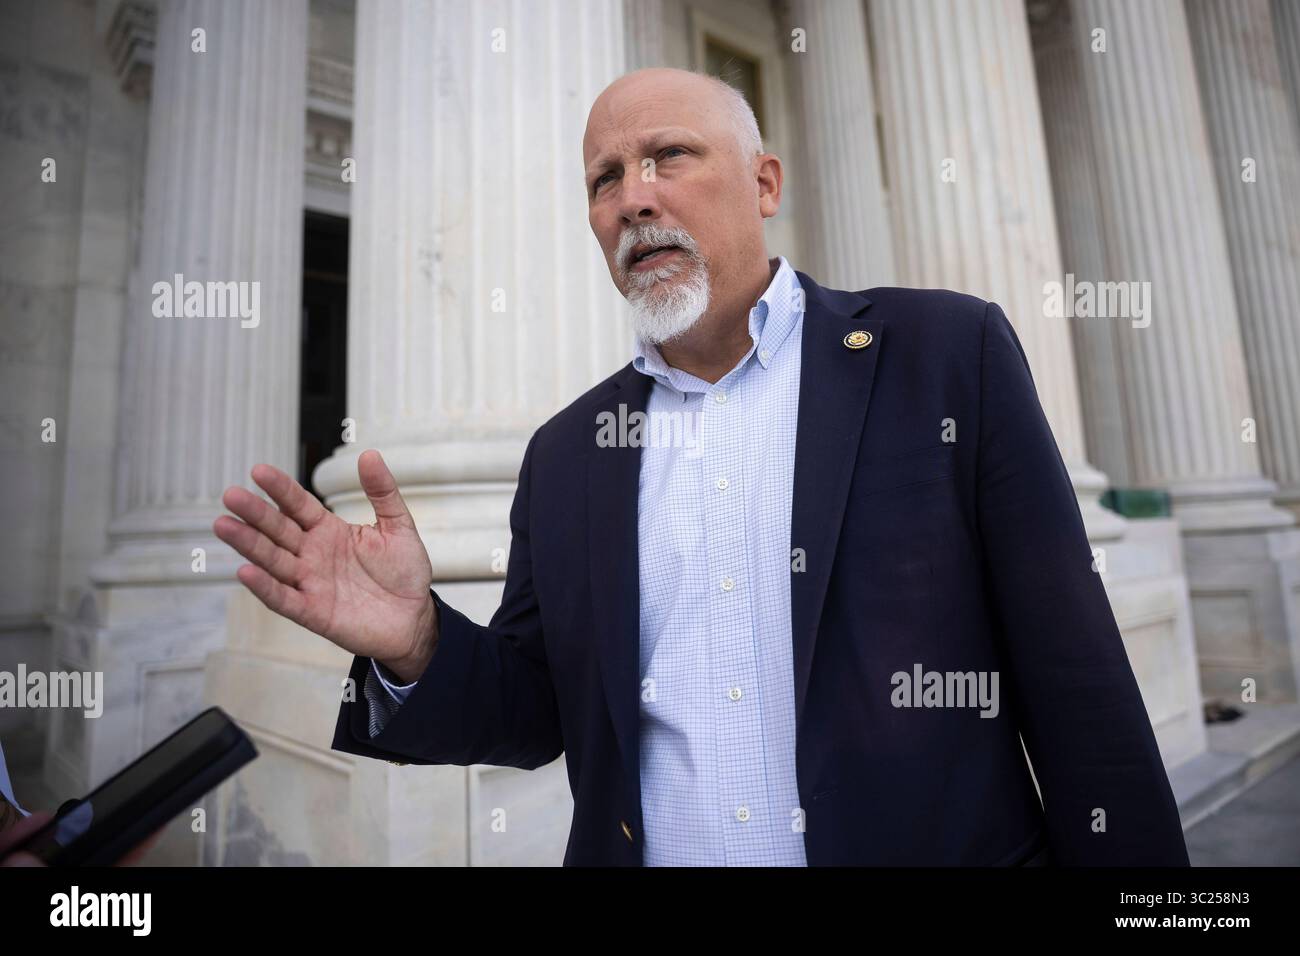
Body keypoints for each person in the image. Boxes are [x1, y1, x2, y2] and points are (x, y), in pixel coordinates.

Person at [215, 67, 1188, 866]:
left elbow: (1079, 683)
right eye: (604, 178)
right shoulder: (567, 454)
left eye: (668, 156)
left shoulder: (942, 354)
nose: (633, 195)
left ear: (762, 184)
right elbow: (537, 709)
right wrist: (418, 640)